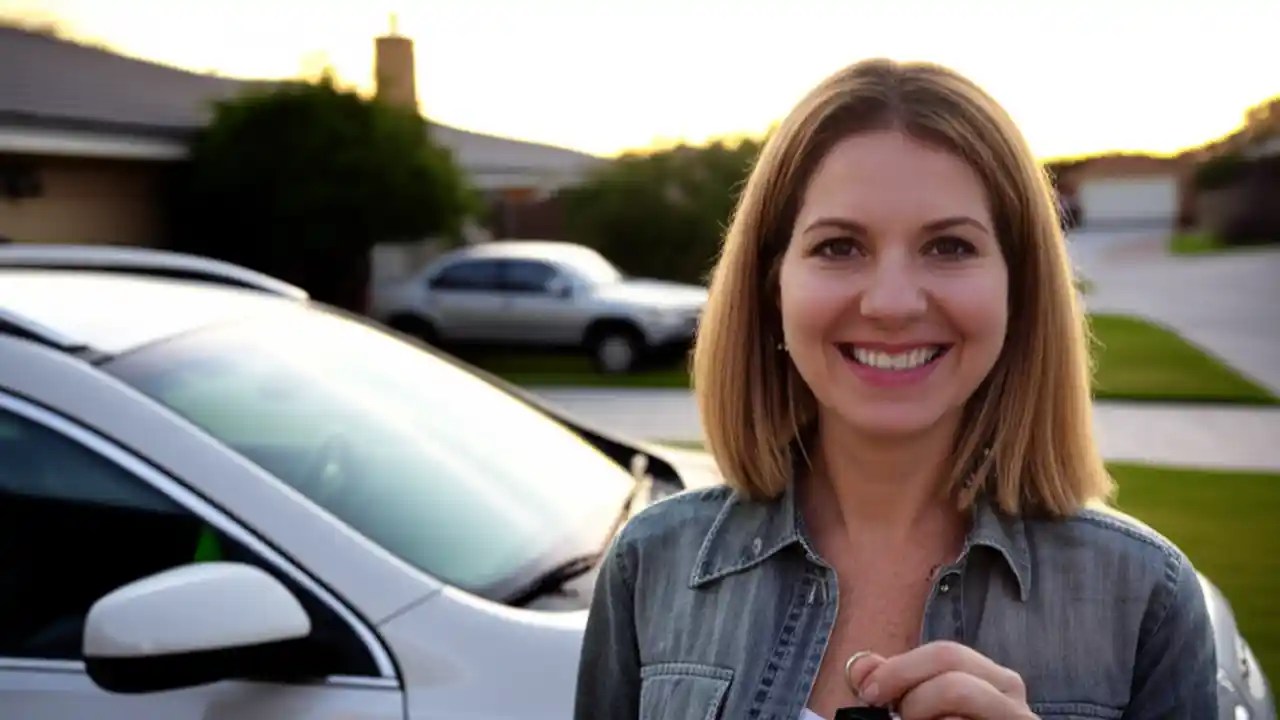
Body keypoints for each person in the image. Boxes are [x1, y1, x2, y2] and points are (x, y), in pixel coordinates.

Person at [574, 58, 1216, 719]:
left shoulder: (1147, 598)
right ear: (773, 287)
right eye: (839, 247)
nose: (891, 303)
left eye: (949, 247)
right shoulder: (651, 565)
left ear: (1018, 290)